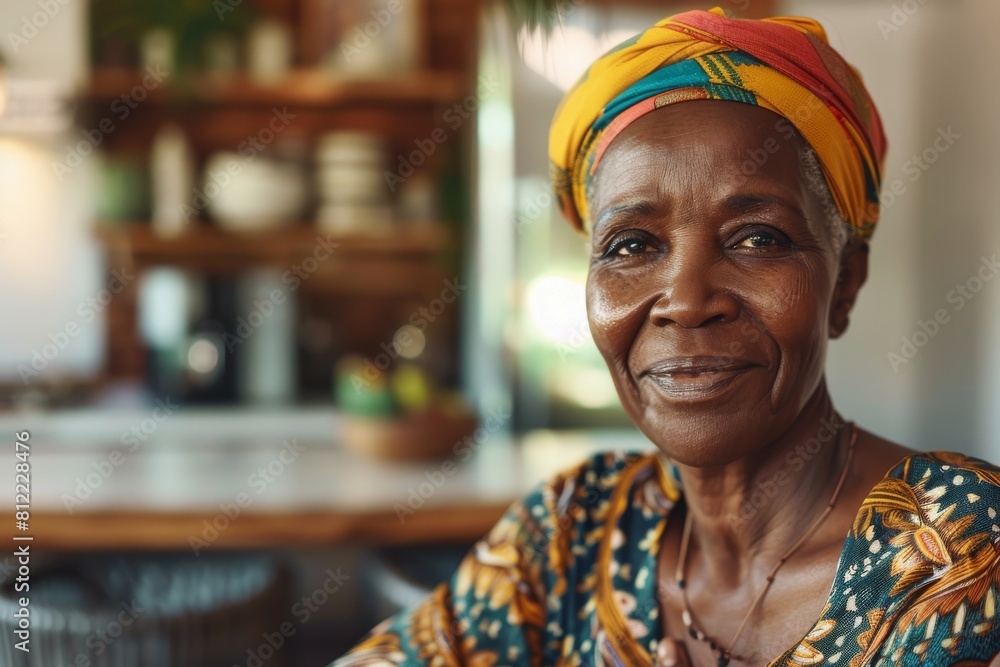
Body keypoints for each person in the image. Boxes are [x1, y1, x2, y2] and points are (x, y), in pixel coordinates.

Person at [333, 7, 1000, 666]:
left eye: (758, 238)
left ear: (846, 283)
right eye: (631, 245)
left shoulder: (959, 548)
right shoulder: (573, 530)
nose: (685, 301)